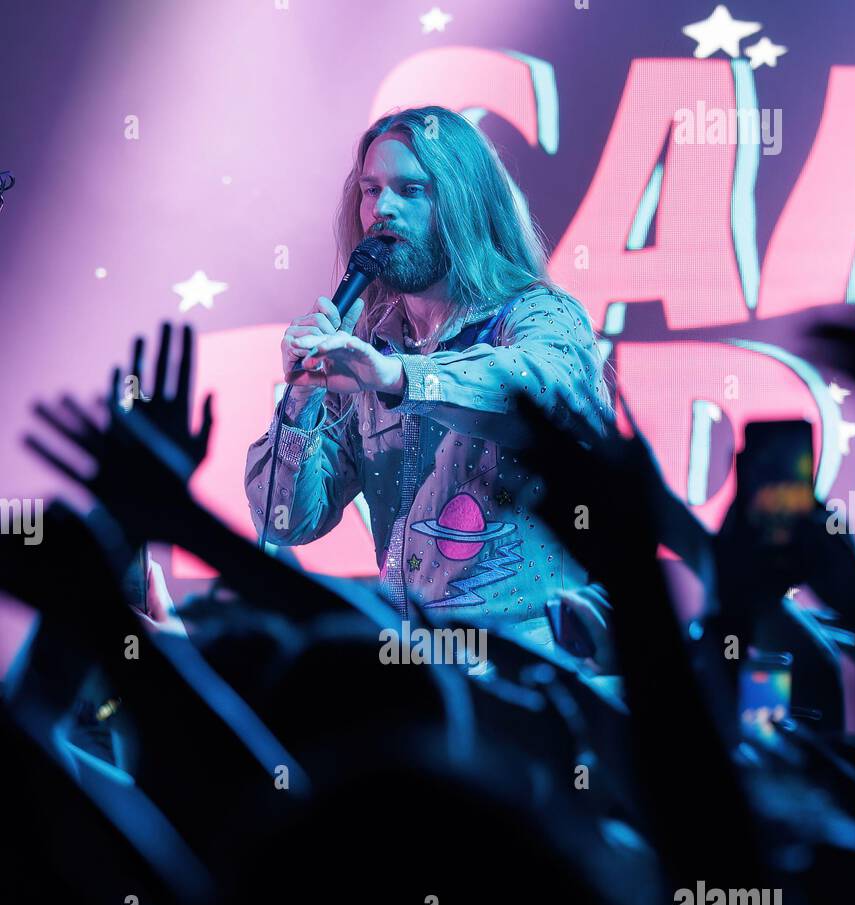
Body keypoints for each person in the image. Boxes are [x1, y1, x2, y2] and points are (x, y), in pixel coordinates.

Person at [244, 105, 614, 651]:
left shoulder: (540, 316)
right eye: (371, 190)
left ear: (463, 205)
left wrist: (399, 377)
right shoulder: (377, 349)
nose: (381, 210)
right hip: (422, 670)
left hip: (535, 668)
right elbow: (286, 521)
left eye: (410, 190)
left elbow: (534, 386)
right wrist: (301, 400)